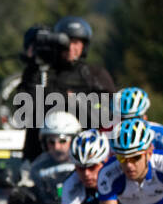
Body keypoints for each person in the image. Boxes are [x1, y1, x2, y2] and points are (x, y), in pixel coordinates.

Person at [15, 16, 115, 160]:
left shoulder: (94, 74)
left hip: (84, 157)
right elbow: (24, 114)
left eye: (76, 42)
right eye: (66, 42)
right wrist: (34, 64)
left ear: (83, 45)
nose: (70, 48)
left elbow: (108, 116)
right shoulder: (41, 72)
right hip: (41, 157)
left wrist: (73, 102)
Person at [114, 87, 163, 159]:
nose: (130, 123)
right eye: (123, 119)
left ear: (145, 117)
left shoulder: (161, 134)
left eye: (135, 118)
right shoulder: (114, 137)